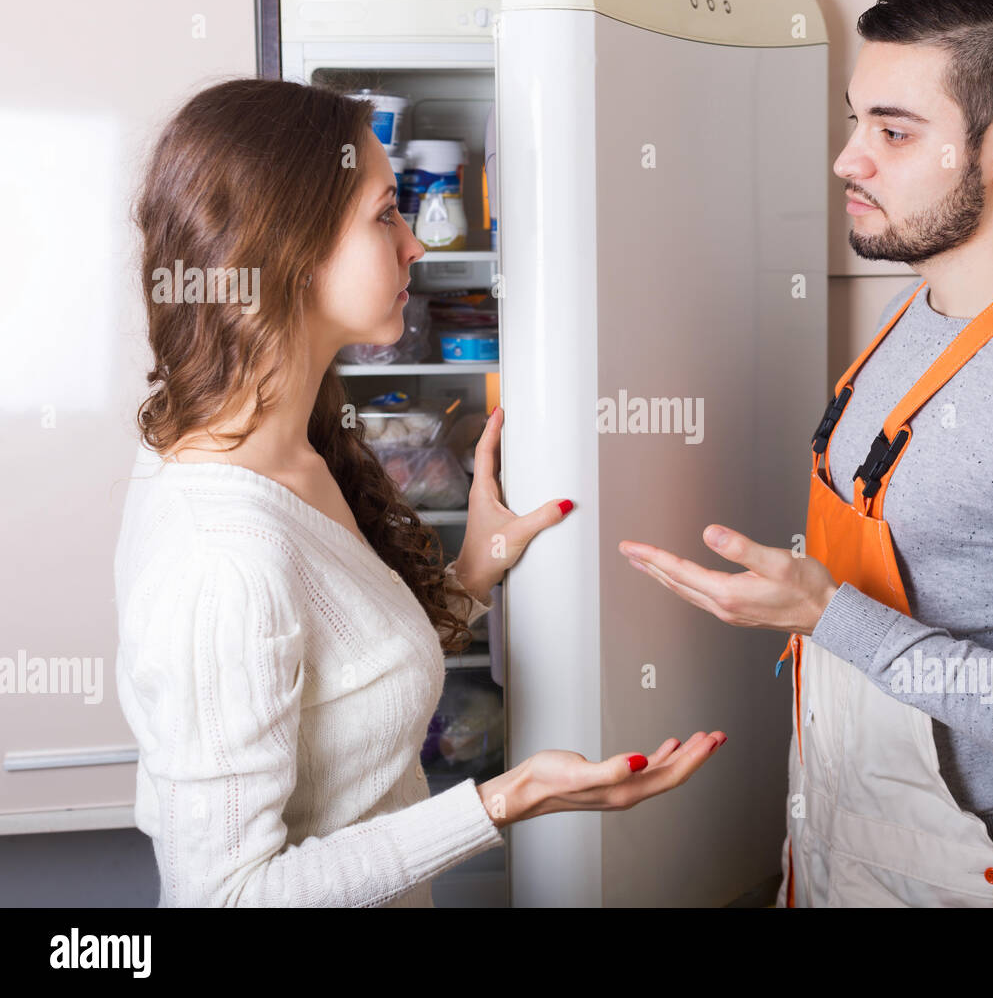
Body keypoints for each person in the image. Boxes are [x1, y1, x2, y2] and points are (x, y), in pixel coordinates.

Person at [618, 0, 993, 907]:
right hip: (852, 835)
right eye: (855, 122)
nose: (848, 159)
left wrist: (827, 615)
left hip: (984, 874)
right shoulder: (923, 306)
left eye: (892, 131)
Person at [115, 77, 726, 907]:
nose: (415, 245)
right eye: (384, 214)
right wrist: (510, 798)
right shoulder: (219, 558)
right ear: (287, 250)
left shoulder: (292, 446)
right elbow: (227, 895)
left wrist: (476, 570)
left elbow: (343, 688)